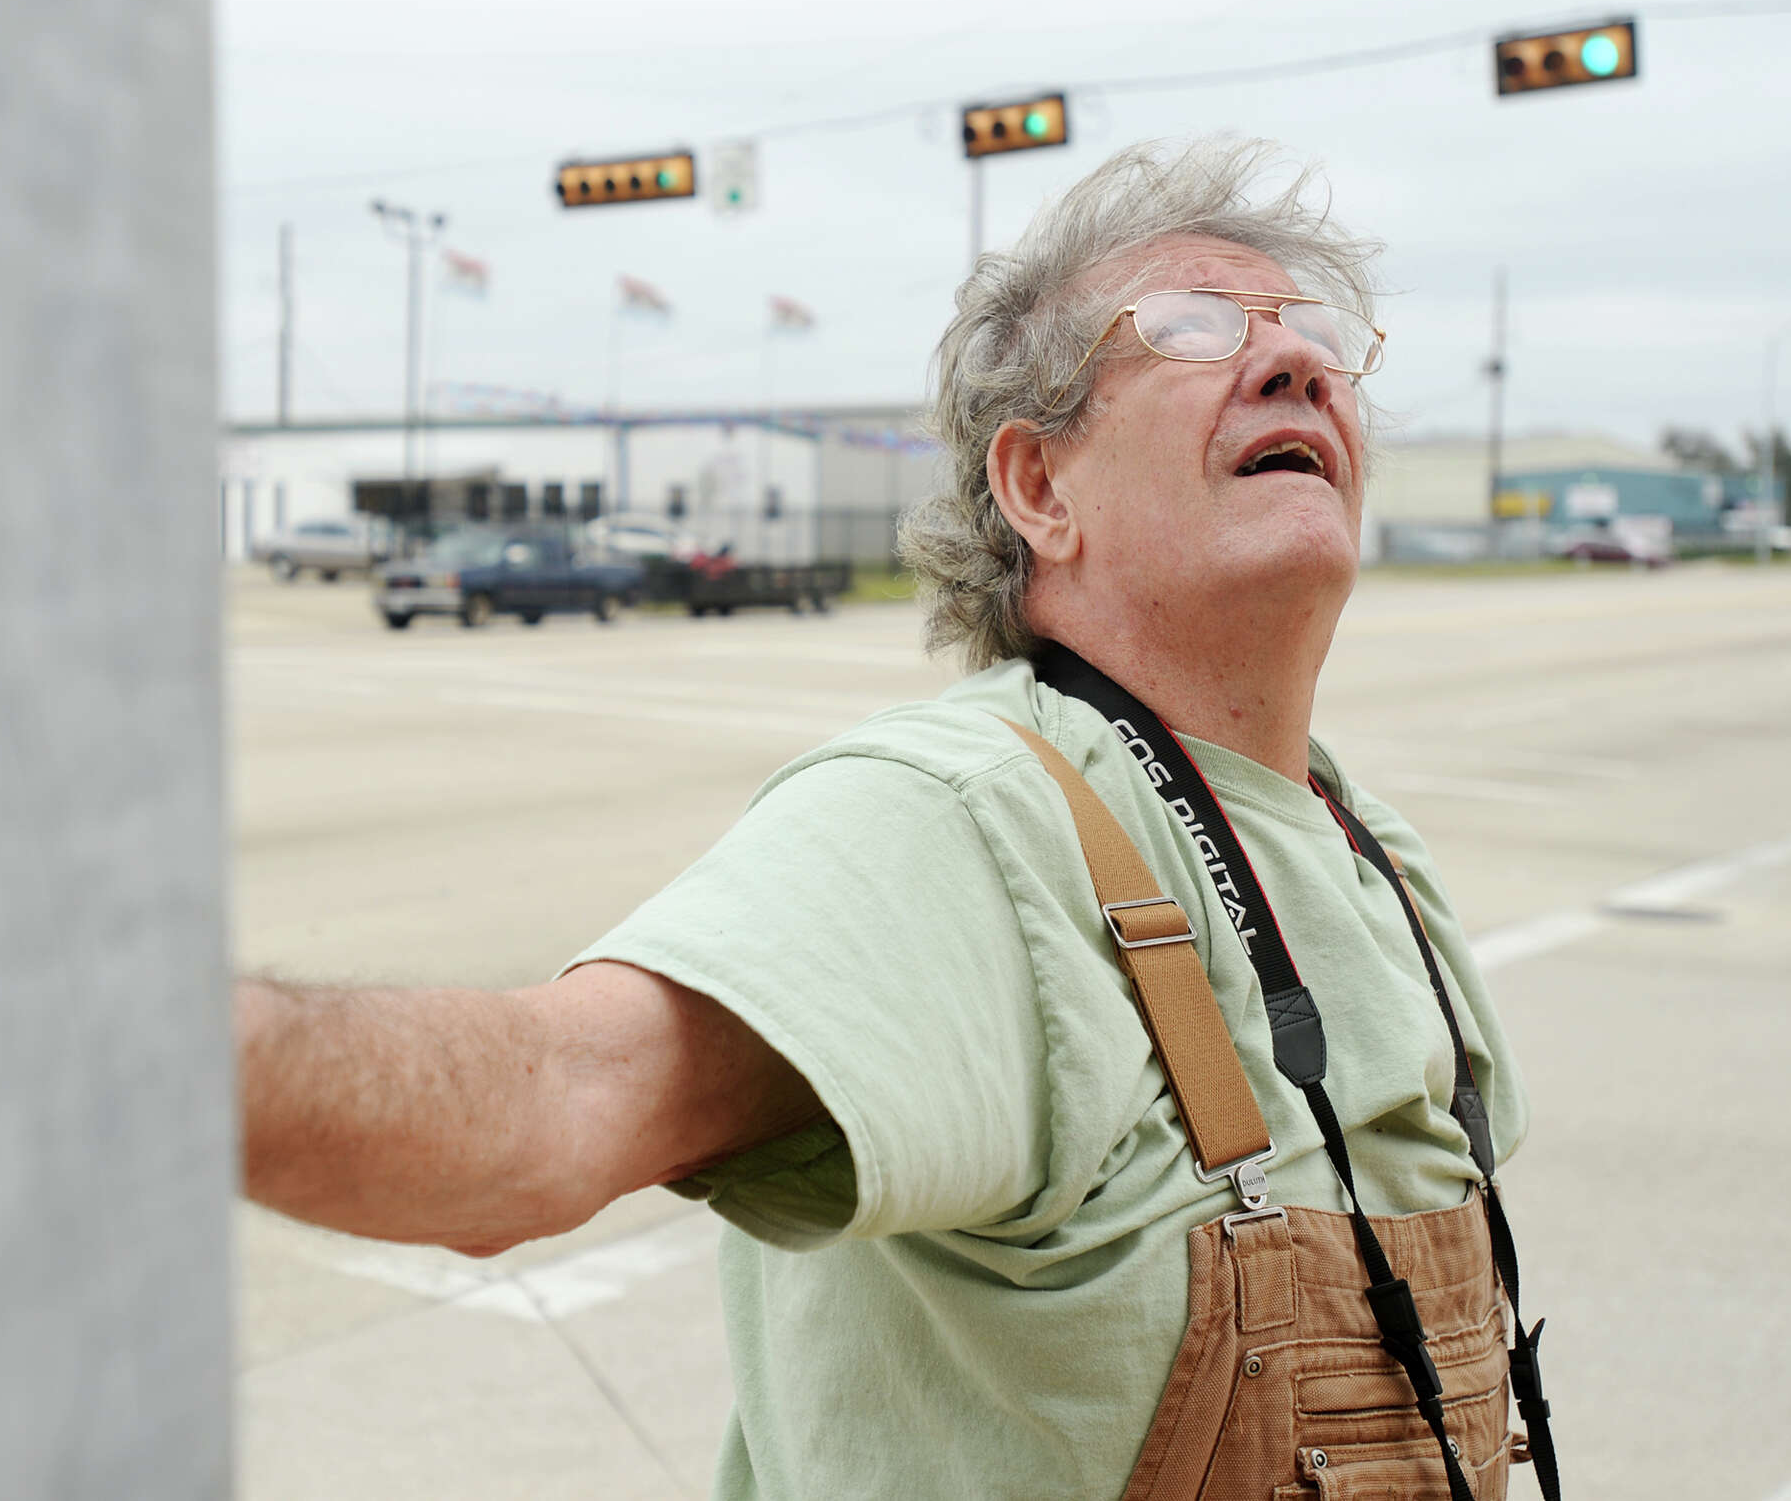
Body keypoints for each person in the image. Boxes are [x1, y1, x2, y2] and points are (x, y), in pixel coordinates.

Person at [239, 137, 1556, 1501]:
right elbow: (552, 1108)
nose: (1293, 363)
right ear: (1040, 489)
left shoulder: (1371, 852)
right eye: (1193, 329)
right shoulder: (970, 820)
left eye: (1315, 335)